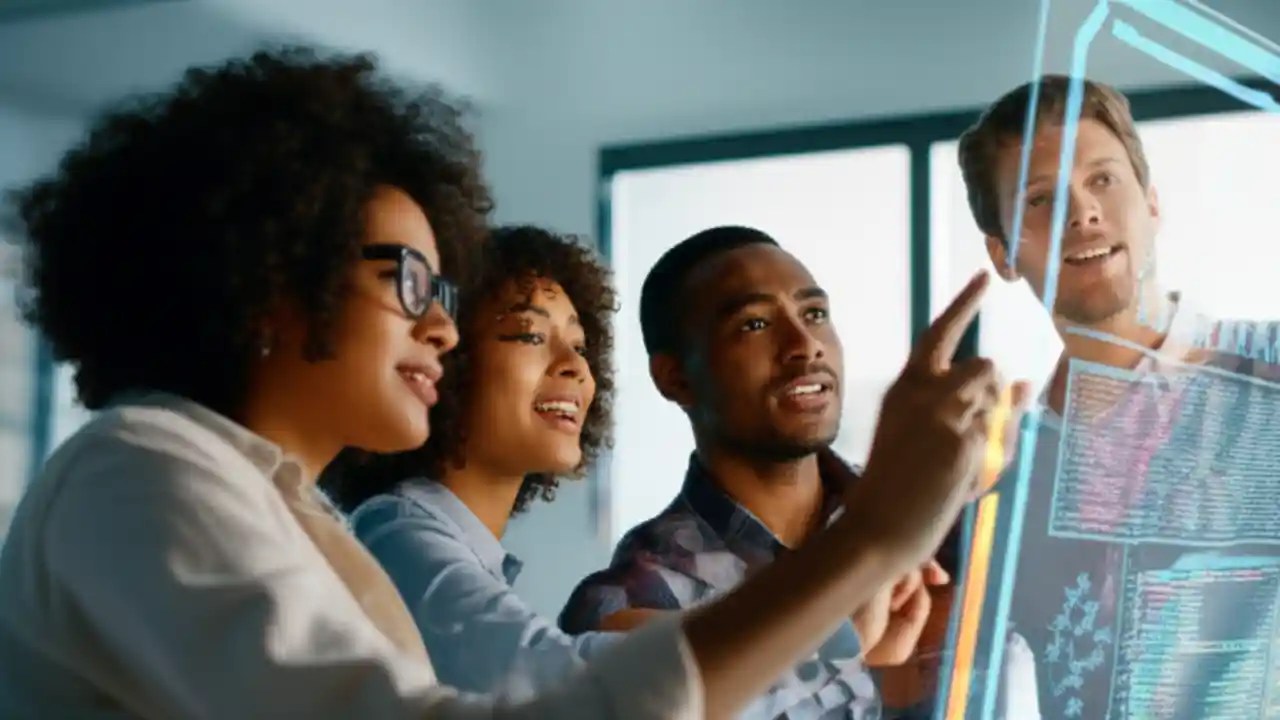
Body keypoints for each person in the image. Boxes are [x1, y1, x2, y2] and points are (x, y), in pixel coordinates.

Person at [0, 45, 1018, 719]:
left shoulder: (274, 508)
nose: (441, 326)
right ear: (271, 278)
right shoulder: (144, 474)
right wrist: (874, 540)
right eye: (407, 279)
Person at [956, 74, 1280, 717]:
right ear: (1003, 254)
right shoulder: (996, 475)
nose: (1082, 214)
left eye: (1102, 180)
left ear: (1152, 201)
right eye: (1041, 201)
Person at [559, 226, 963, 719]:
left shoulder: (934, 526)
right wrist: (848, 647)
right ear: (675, 377)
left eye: (814, 314)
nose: (804, 344)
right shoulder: (632, 599)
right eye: (754, 324)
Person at [320, 224, 628, 699]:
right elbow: (548, 685)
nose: (575, 365)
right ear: (446, 359)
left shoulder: (449, 542)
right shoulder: (397, 534)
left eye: (581, 345)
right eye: (528, 335)